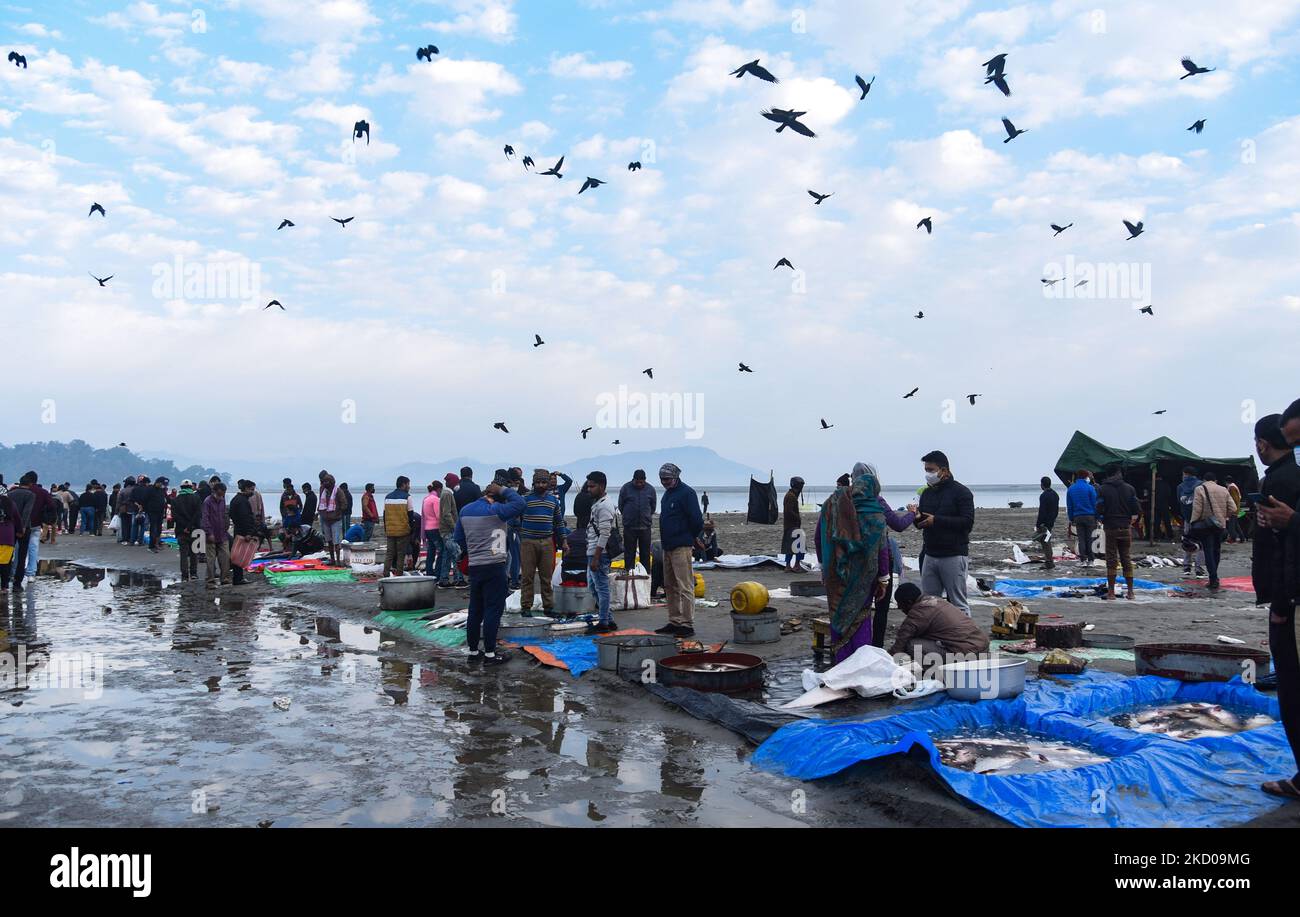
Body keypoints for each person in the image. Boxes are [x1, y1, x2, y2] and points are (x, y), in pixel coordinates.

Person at [1255, 402, 1300, 798]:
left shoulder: (1282, 481)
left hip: (1292, 597)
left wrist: (1282, 603)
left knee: (1291, 684)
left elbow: (1286, 548)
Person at [817, 463, 889, 661]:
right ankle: (859, 665)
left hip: (835, 574)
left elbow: (819, 537)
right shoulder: (874, 513)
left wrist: (824, 568)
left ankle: (841, 663)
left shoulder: (832, 503)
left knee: (838, 613)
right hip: (864, 578)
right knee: (861, 619)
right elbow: (882, 549)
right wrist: (883, 579)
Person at [453, 479, 526, 664]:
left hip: (475, 566)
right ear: (497, 498)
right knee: (493, 610)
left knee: (475, 610)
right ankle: (490, 654)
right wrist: (503, 489)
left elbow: (458, 538)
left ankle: (472, 652)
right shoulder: (497, 511)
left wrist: (474, 548)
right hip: (495, 565)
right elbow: (520, 503)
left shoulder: (465, 510)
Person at [915, 451, 975, 616]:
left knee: (958, 604)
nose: (928, 474)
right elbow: (922, 522)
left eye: (931, 470)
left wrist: (937, 520)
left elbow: (967, 523)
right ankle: (936, 638)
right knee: (929, 604)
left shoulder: (961, 492)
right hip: (930, 554)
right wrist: (917, 517)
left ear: (944, 471)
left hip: (954, 554)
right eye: (926, 470)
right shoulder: (927, 493)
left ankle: (964, 640)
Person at [654, 462, 704, 638]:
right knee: (670, 585)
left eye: (667, 479)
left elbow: (697, 520)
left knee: (685, 585)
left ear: (675, 477)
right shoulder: (667, 495)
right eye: (661, 479)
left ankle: (687, 623)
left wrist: (690, 538)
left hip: (681, 546)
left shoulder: (687, 493)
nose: (664, 482)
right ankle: (675, 620)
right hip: (667, 546)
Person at [888, 582, 990, 663]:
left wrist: (887, 659)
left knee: (913, 645)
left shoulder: (918, 612)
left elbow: (901, 642)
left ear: (909, 602)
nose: (900, 609)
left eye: (901, 606)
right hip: (982, 647)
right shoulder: (935, 600)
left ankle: (937, 676)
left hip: (969, 654)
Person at [520, 469, 563, 617]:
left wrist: (564, 541)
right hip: (528, 542)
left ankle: (548, 607)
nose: (541, 484)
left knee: (546, 577)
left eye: (544, 482)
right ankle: (526, 607)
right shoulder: (525, 499)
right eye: (538, 482)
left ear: (548, 483)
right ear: (533, 483)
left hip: (547, 542)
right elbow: (516, 517)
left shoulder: (553, 501)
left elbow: (559, 523)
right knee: (527, 576)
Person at [1096, 469, 1141, 600]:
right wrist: (1131, 519)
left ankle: (1111, 593)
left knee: (1111, 558)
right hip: (1125, 526)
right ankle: (1131, 592)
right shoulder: (1130, 488)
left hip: (1110, 526)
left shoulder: (1102, 489)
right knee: (1126, 558)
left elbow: (1099, 507)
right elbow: (1136, 508)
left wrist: (1101, 518)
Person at [585, 472, 618, 633]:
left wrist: (596, 557)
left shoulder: (605, 506)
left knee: (601, 588)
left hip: (599, 553)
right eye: (588, 486)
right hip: (593, 550)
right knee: (593, 586)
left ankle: (604, 622)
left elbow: (605, 533)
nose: (589, 489)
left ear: (602, 486)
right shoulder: (599, 503)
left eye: (592, 486)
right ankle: (609, 618)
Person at [1189, 471, 1234, 590]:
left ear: (1204, 480)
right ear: (1215, 480)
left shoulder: (1199, 489)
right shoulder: (1223, 489)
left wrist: (1193, 522)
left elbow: (1197, 508)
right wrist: (1224, 517)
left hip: (1206, 525)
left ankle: (1213, 578)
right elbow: (1233, 508)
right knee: (1216, 550)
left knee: (1208, 550)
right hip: (1220, 526)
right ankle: (1215, 575)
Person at [618, 469, 657, 576]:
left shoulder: (650, 490)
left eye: (641, 482)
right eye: (637, 482)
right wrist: (628, 516)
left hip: (645, 527)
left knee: (645, 553)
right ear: (633, 479)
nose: (639, 484)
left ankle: (645, 574)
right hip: (629, 527)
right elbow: (621, 506)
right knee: (629, 552)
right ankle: (629, 573)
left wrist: (646, 516)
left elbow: (653, 507)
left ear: (645, 480)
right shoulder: (625, 488)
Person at [1177, 466, 1207, 577]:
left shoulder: (1180, 487)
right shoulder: (1201, 485)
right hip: (1200, 519)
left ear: (1185, 474)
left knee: (1187, 542)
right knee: (1201, 543)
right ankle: (1199, 569)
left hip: (1187, 518)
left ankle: (1186, 568)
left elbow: (1178, 502)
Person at [1066, 469, 1099, 568]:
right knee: (1090, 539)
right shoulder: (1090, 488)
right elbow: (1095, 503)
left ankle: (1083, 560)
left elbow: (1070, 505)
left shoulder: (1071, 489)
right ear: (1086, 477)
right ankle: (1091, 560)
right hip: (1090, 516)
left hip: (1078, 517)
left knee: (1081, 539)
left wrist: (1071, 518)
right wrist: (1098, 516)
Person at [202, 481, 232, 588]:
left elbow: (225, 515)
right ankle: (210, 581)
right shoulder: (207, 502)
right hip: (211, 534)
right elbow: (205, 518)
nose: (222, 494)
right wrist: (209, 533)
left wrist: (226, 526)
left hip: (222, 533)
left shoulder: (223, 501)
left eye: (224, 492)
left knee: (225, 556)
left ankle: (224, 578)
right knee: (211, 559)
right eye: (221, 492)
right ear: (215, 491)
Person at [228, 480, 258, 586]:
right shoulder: (242, 501)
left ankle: (238, 577)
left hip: (238, 530)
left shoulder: (236, 499)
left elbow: (232, 515)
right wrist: (249, 533)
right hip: (243, 532)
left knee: (238, 554)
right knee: (240, 556)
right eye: (251, 489)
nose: (253, 492)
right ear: (245, 489)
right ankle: (238, 578)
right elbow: (245, 518)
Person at [172, 480, 202, 581]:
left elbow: (175, 516)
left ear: (181, 488)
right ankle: (194, 573)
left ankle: (184, 575)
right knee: (194, 553)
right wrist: (189, 526)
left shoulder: (175, 500)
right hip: (195, 529)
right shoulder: (196, 498)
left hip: (181, 530)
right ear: (191, 487)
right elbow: (198, 514)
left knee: (183, 554)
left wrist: (185, 527)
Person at [382, 477, 413, 577]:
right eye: (408, 484)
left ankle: (386, 574)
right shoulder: (407, 497)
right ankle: (399, 575)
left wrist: (386, 528)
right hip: (403, 531)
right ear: (403, 484)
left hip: (390, 531)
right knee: (400, 554)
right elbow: (410, 516)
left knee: (389, 553)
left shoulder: (388, 497)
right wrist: (410, 529)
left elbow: (384, 515)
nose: (409, 486)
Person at [438, 473, 464, 587]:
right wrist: (455, 527)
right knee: (457, 554)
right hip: (449, 530)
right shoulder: (448, 494)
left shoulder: (445, 493)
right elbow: (447, 513)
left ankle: (443, 579)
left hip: (444, 530)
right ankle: (459, 579)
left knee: (446, 555)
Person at [1034, 476, 1060, 570]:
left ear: (1042, 485)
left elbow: (1042, 511)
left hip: (1045, 523)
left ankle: (1049, 562)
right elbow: (1056, 510)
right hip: (1051, 521)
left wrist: (1039, 524)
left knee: (1045, 542)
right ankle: (1049, 560)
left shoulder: (1044, 495)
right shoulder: (1055, 494)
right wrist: (1052, 520)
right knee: (1046, 540)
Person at [317, 473, 342, 567]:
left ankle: (338, 561)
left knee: (336, 541)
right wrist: (320, 511)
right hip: (325, 519)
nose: (325, 483)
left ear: (331, 482)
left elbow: (344, 504)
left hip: (335, 520)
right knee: (329, 541)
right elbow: (320, 501)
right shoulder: (323, 490)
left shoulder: (338, 491)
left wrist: (337, 513)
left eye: (327, 481)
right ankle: (332, 559)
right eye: (324, 481)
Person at [782, 476, 807, 571]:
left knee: (791, 546)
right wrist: (797, 518)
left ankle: (789, 565)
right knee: (800, 545)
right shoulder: (790, 496)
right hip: (792, 526)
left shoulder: (791, 495)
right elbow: (789, 511)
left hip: (791, 526)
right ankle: (796, 565)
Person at [422, 482, 443, 577]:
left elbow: (423, 516)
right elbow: (439, 516)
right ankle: (438, 573)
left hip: (427, 528)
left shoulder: (426, 499)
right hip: (435, 528)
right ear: (439, 489)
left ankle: (429, 572)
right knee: (441, 551)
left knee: (431, 552)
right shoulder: (436, 500)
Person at [0, 487, 19, 592]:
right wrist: (20, 531)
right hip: (8, 537)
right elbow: (17, 520)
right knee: (6, 563)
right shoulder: (11, 504)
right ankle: (4, 587)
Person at [1152, 473, 1174, 541]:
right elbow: (1169, 494)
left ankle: (1156, 536)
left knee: (1156, 522)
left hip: (1155, 505)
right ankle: (1170, 536)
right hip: (1165, 505)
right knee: (1167, 521)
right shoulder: (1166, 484)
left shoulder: (1153, 485)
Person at [1224, 477, 1245, 544]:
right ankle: (1242, 538)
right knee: (1236, 525)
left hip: (1233, 509)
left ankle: (1233, 539)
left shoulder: (1232, 487)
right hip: (1235, 508)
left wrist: (1232, 509)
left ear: (1227, 482)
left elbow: (1234, 499)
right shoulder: (1233, 486)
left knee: (1231, 526)